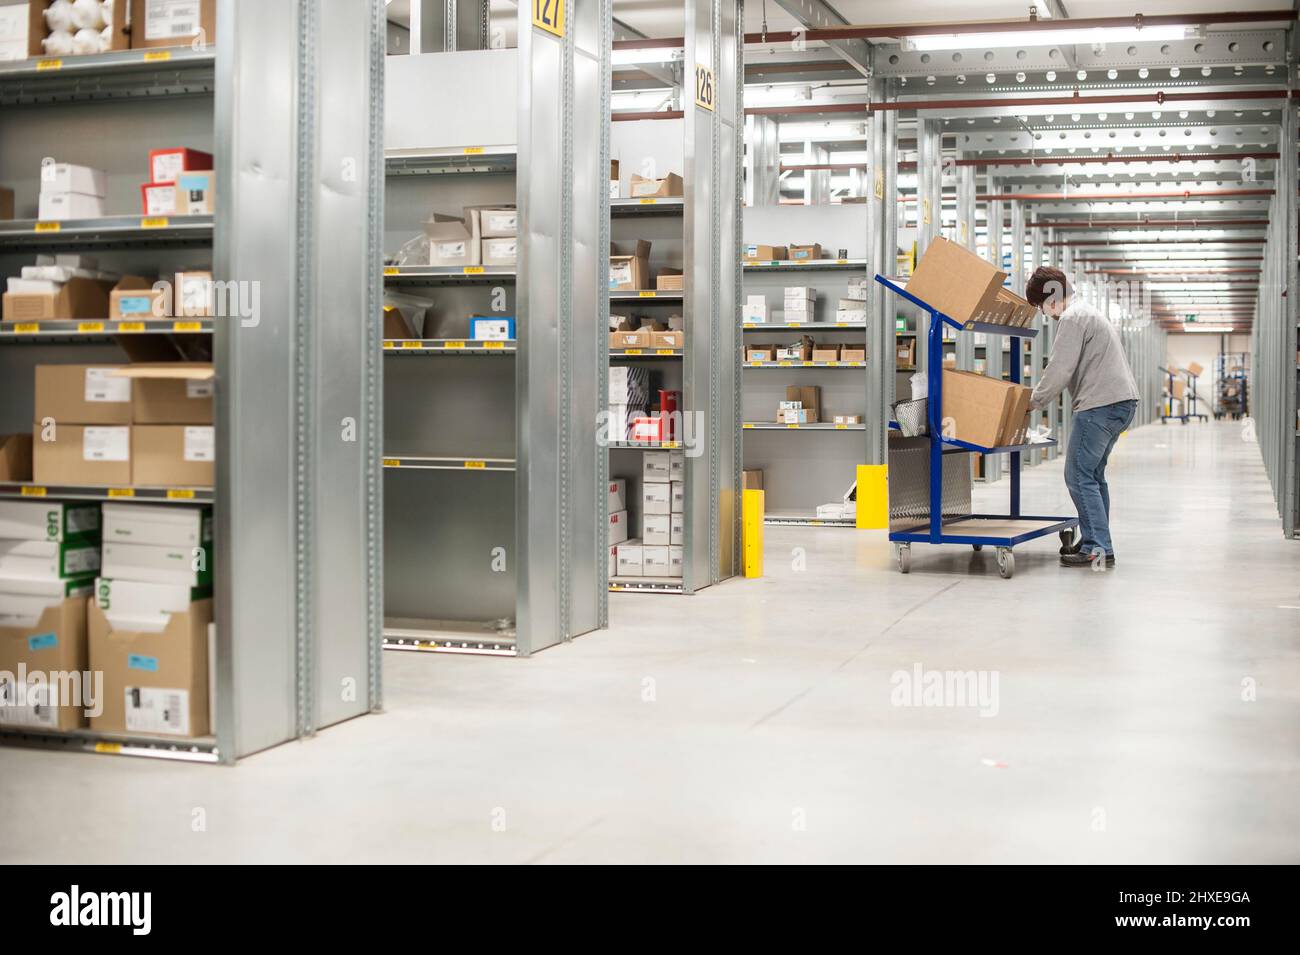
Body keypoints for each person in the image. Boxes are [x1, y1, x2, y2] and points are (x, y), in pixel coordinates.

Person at [1024, 267, 1140, 568]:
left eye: (1041, 305)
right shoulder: (1087, 312)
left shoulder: (1073, 319)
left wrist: (1032, 401)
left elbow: (1060, 369)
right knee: (1093, 475)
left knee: (1076, 475)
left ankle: (1097, 546)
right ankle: (1095, 539)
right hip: (1120, 403)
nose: (1044, 313)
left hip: (1099, 405)